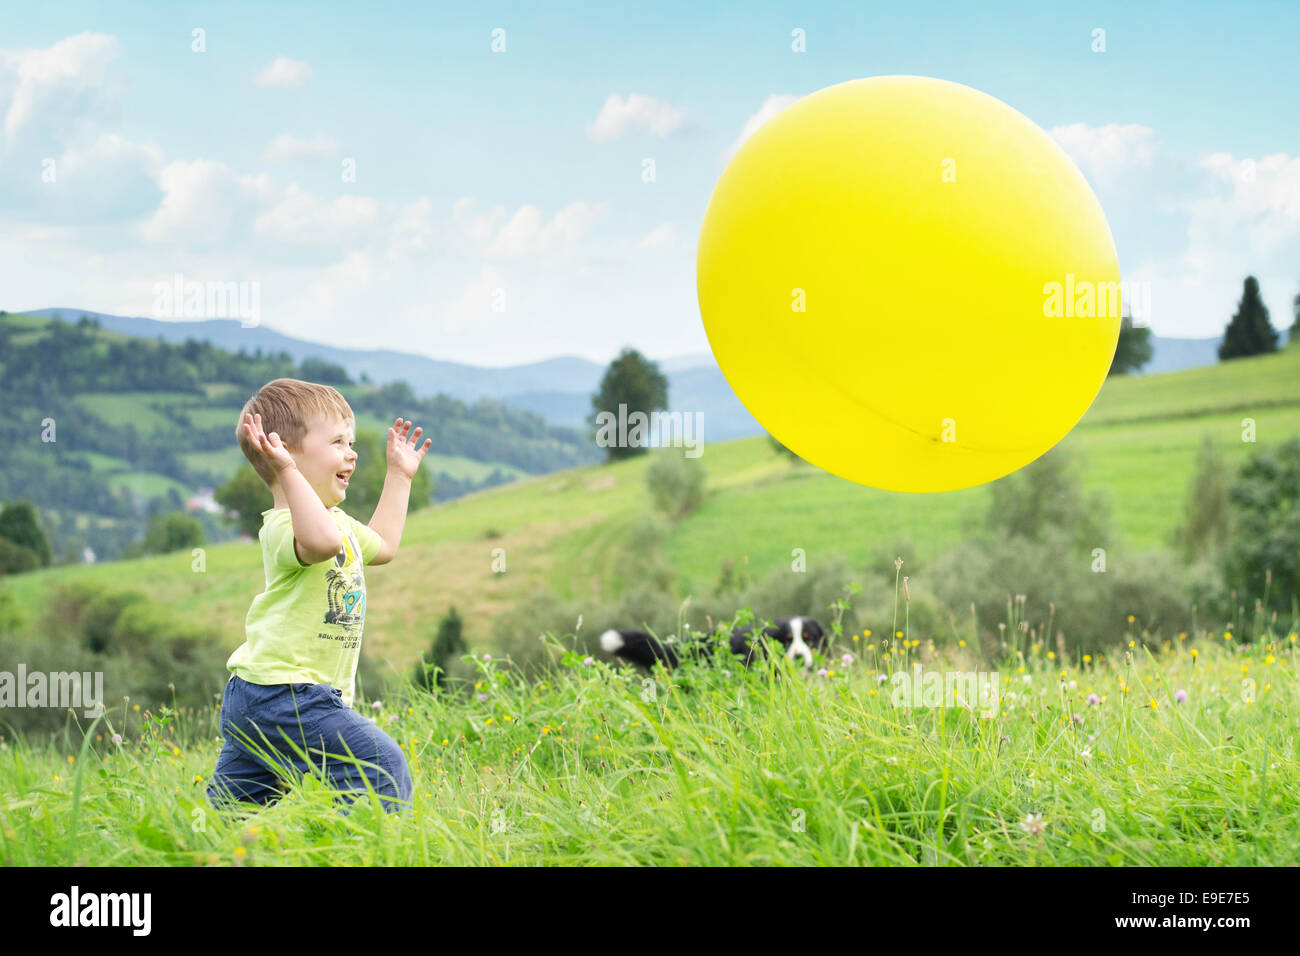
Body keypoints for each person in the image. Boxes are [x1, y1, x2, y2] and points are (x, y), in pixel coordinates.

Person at [206, 378, 431, 815]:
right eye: (338, 441)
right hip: (284, 693)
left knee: (231, 816)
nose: (352, 452)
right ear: (286, 451)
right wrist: (288, 472)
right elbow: (322, 544)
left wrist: (400, 476)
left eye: (352, 441)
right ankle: (366, 854)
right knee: (379, 766)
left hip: (267, 697)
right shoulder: (282, 526)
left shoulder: (337, 522)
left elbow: (383, 546)